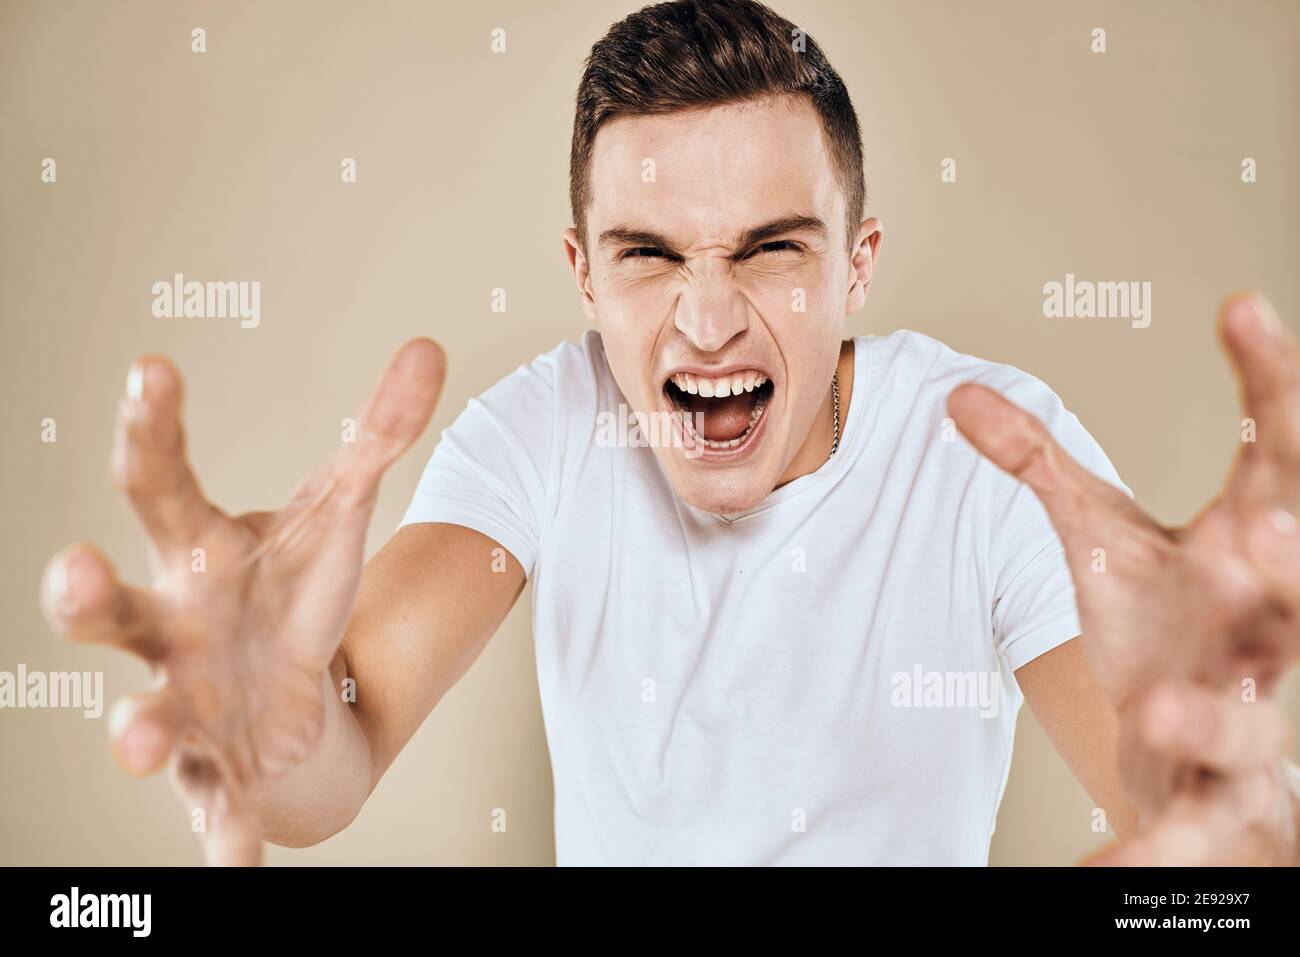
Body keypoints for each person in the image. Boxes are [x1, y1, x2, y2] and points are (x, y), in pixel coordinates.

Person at [41, 0, 1300, 865]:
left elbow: (1185, 826)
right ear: (583, 276)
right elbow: (338, 757)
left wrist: (1236, 807)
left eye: (771, 249)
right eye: (648, 255)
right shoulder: (543, 427)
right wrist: (281, 717)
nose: (707, 322)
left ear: (858, 263)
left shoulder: (993, 450)